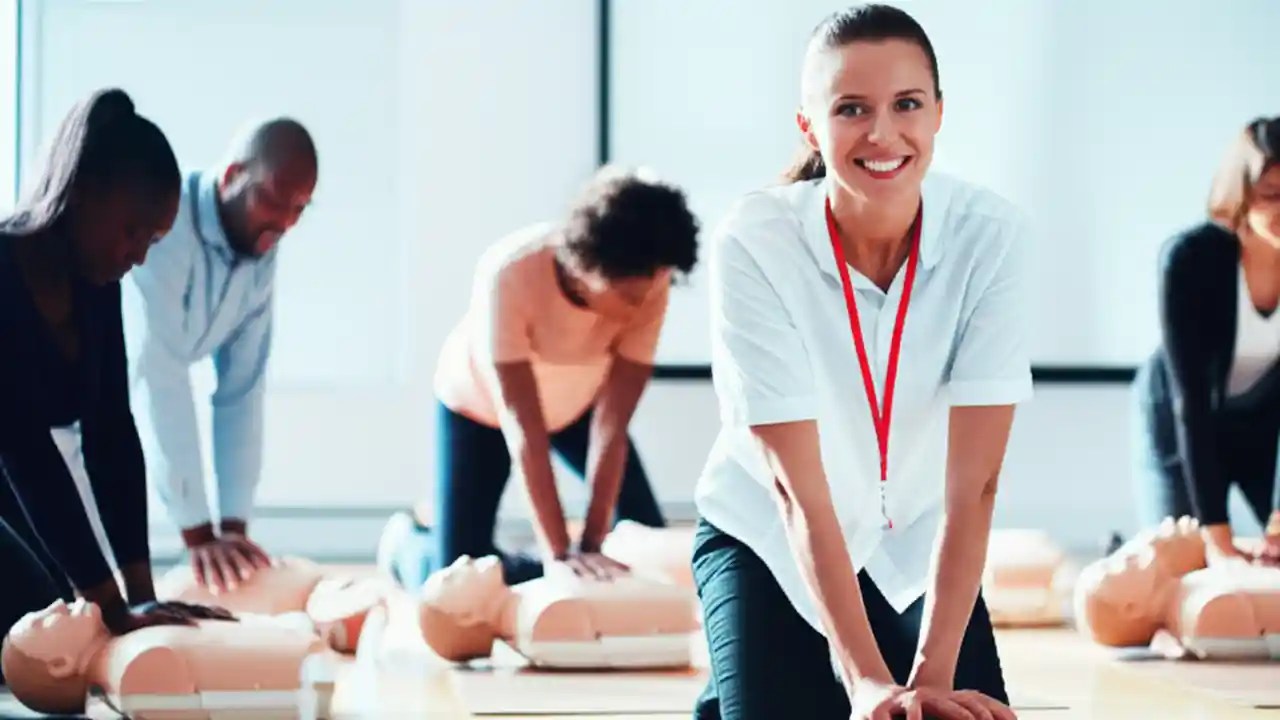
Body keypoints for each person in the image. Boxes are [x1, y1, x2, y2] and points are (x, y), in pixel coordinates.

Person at [690, 6, 1032, 719]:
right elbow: (795, 492)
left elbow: (975, 486)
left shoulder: (991, 238)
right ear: (810, 127)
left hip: (915, 551)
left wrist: (929, 676)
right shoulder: (755, 240)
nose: (883, 134)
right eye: (851, 109)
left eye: (907, 104)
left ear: (939, 113)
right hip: (769, 540)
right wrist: (867, 680)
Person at [0, 88, 231, 684]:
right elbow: (26, 450)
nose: (138, 256)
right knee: (38, 622)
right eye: (131, 232)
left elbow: (111, 433)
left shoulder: (100, 290)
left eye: (152, 242)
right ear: (80, 193)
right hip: (12, 471)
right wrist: (110, 605)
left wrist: (140, 597)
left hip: (10, 490)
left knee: (69, 612)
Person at [377, 166, 700, 590]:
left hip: (577, 404)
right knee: (457, 579)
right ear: (590, 268)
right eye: (628, 296)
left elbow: (612, 424)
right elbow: (524, 428)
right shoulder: (510, 273)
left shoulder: (651, 282)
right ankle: (407, 543)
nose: (645, 302)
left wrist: (591, 544)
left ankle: (542, 558)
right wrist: (560, 556)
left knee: (641, 539)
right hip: (482, 408)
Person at [124, 118, 319, 593]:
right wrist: (198, 533)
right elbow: (161, 373)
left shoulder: (261, 246)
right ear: (232, 176)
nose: (287, 222)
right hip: (63, 413)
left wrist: (233, 526)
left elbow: (241, 389)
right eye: (274, 199)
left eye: (300, 208)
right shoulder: (167, 222)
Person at [1131, 116, 1280, 569]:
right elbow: (1189, 404)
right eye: (1272, 195)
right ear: (1241, 193)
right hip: (1179, 421)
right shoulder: (1192, 259)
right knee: (1181, 565)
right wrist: (1218, 539)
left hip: (1260, 425)